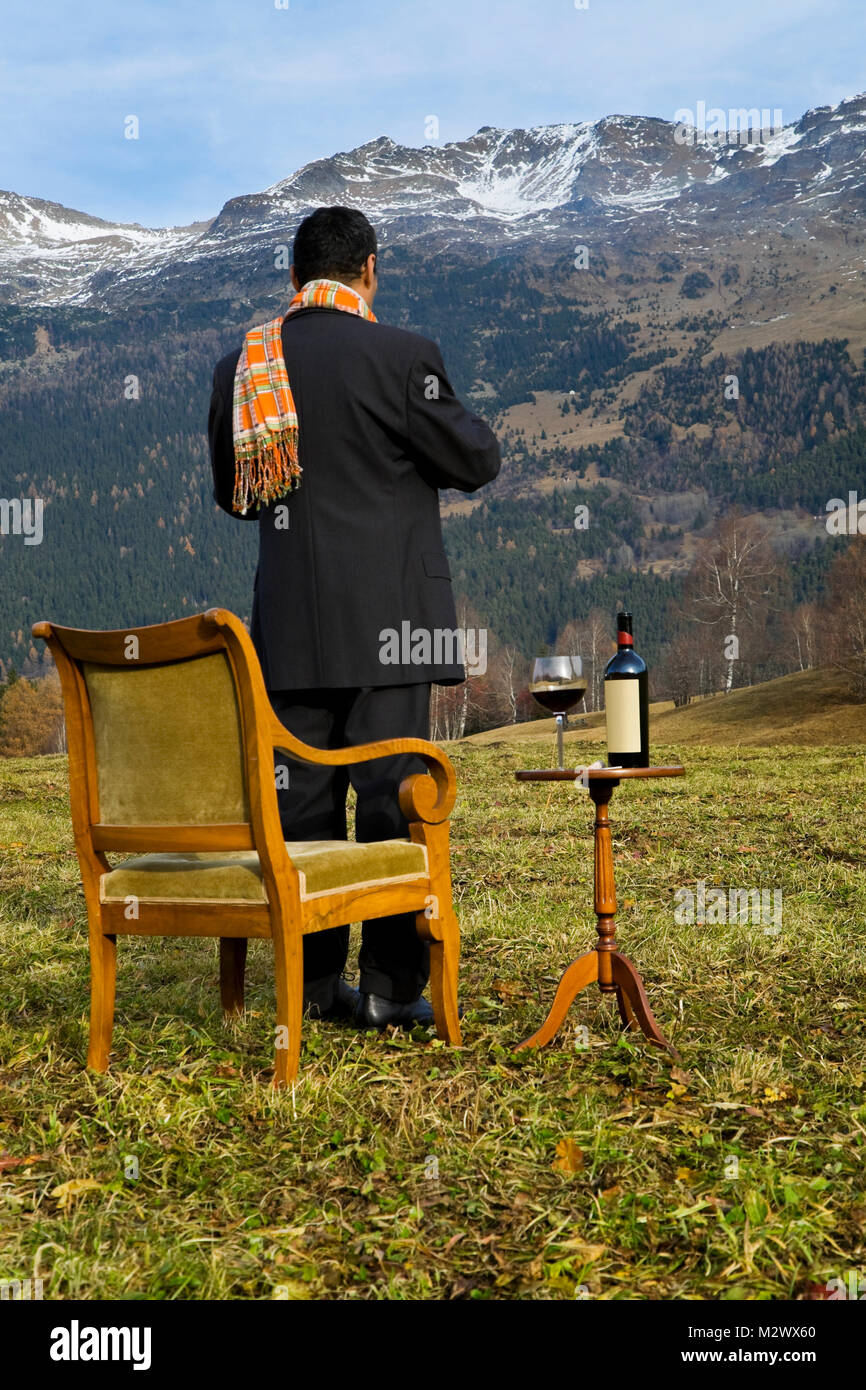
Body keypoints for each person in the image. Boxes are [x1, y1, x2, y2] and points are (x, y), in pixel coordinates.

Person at [207, 205, 500, 1030]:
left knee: (299, 808)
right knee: (389, 803)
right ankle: (389, 989)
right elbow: (476, 460)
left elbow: (237, 496)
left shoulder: (244, 365)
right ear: (370, 269)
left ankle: (307, 987)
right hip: (396, 628)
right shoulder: (406, 357)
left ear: (294, 277)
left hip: (290, 630)